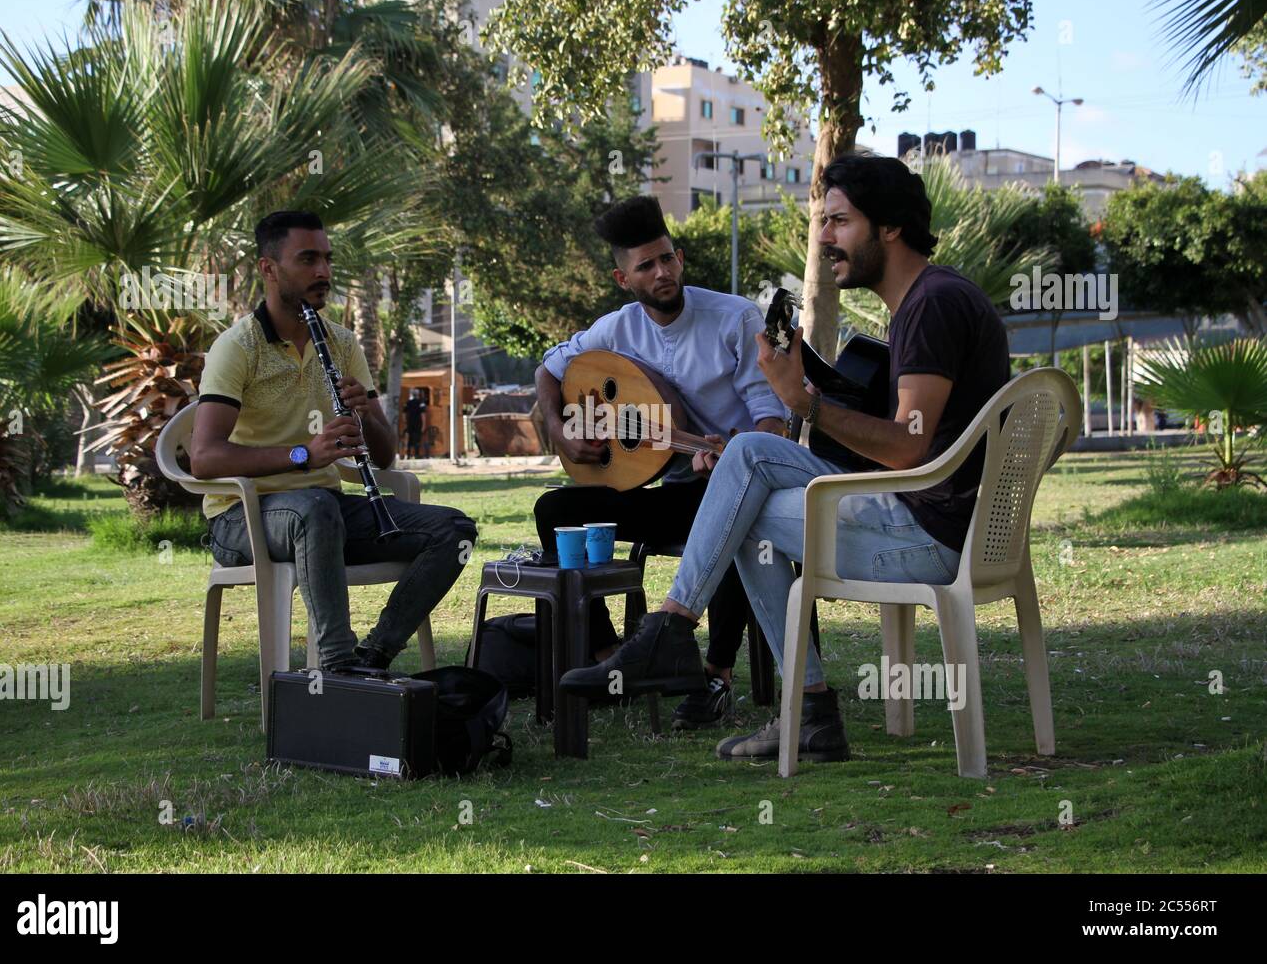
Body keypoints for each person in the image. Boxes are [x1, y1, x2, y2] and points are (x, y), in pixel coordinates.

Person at [560, 155, 1011, 762]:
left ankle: (729, 663)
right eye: (824, 222)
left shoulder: (931, 306)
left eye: (839, 222)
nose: (824, 238)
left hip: (934, 537)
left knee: (745, 492)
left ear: (890, 228)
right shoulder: (930, 298)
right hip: (928, 510)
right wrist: (806, 398)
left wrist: (802, 401)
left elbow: (907, 445)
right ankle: (727, 664)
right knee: (747, 462)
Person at [534, 195, 789, 728]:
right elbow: (550, 369)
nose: (662, 272)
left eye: (667, 258)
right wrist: (561, 432)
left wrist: (739, 453)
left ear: (679, 258)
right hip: (665, 488)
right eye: (646, 266)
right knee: (554, 510)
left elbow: (773, 417)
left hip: (731, 483)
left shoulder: (734, 318)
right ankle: (611, 662)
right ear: (623, 279)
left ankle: (713, 678)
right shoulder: (615, 328)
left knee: (732, 522)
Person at [191, 210, 477, 673]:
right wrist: (305, 455)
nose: (323, 271)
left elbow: (385, 455)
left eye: (326, 259)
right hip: (242, 518)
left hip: (322, 513)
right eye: (308, 259)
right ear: (269, 269)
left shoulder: (341, 343)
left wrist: (366, 415)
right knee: (315, 508)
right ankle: (336, 667)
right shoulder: (237, 347)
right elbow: (204, 458)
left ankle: (373, 655)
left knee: (452, 531)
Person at [403, 389, 427, 459]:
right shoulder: (421, 403)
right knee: (417, 439)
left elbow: (403, 413)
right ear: (418, 395)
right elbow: (423, 415)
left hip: (409, 423)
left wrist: (405, 422)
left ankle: (408, 455)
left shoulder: (408, 402)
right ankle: (416, 455)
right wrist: (424, 425)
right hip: (418, 423)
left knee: (409, 438)